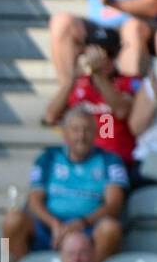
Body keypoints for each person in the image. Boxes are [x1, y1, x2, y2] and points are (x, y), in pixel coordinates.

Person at [2, 104, 126, 262]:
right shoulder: (48, 157)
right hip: (48, 227)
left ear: (95, 133)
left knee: (110, 229)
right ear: (65, 134)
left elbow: (114, 204)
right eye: (75, 130)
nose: (81, 135)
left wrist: (82, 223)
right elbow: (34, 200)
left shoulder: (110, 160)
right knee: (13, 220)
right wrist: (55, 225)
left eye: (87, 130)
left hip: (89, 228)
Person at [47, 0, 157, 84]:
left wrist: (111, 3)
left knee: (133, 28)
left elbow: (152, 6)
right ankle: (69, 94)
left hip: (138, 24)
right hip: (98, 25)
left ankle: (129, 96)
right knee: (61, 22)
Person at [44, 29, 139, 168]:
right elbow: (50, 117)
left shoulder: (130, 82)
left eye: (109, 53)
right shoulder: (78, 84)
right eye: (96, 53)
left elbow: (121, 111)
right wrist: (71, 79)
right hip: (80, 161)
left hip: (116, 162)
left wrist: (98, 75)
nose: (103, 59)